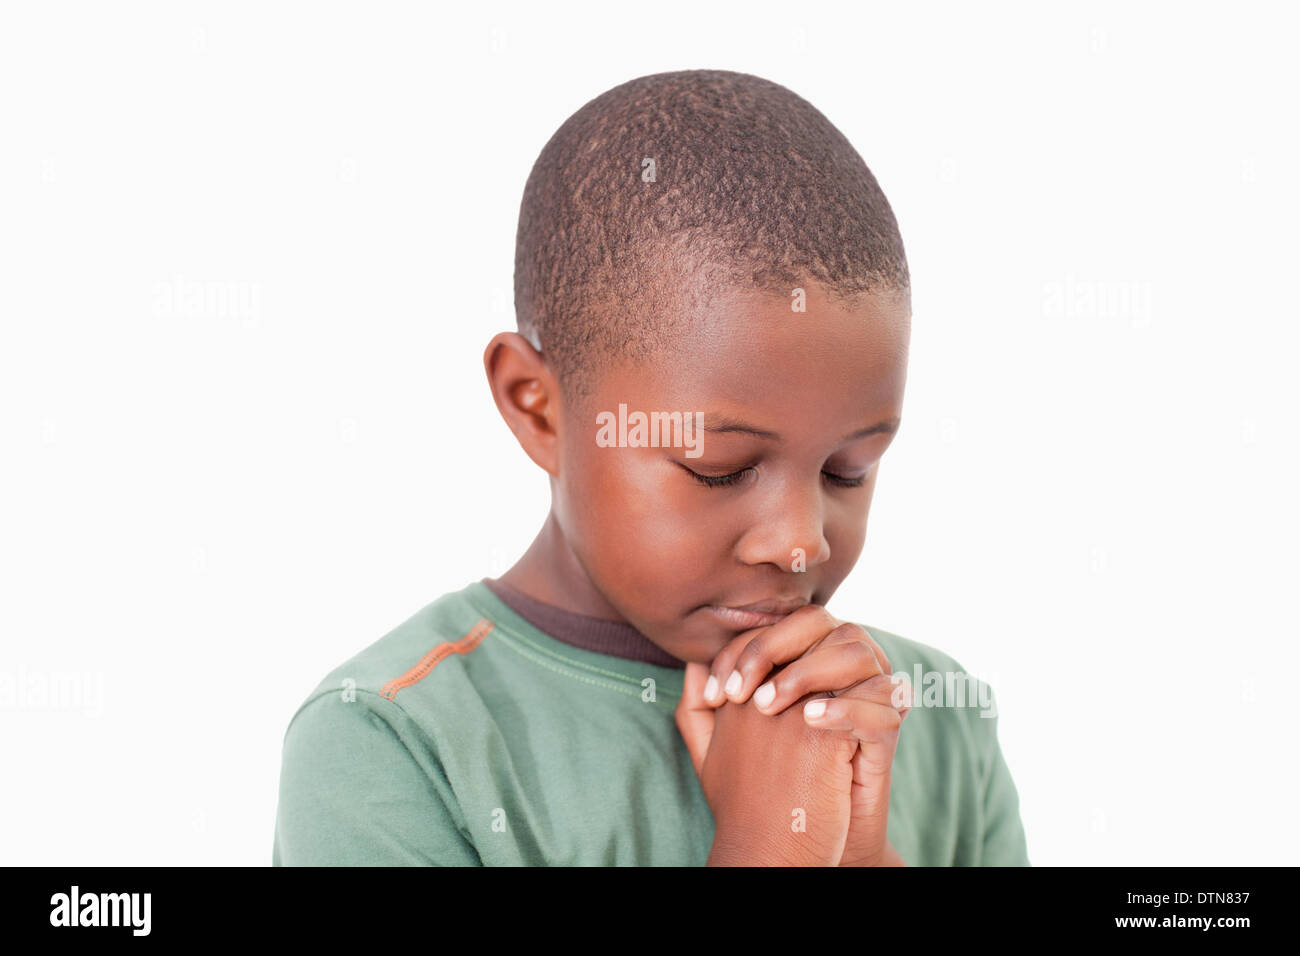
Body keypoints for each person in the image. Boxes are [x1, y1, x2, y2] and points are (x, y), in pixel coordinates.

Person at [272, 68, 1030, 866]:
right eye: (720, 467)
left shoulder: (930, 716)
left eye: (848, 469)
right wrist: (773, 848)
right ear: (538, 407)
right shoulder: (393, 742)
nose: (798, 543)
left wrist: (864, 854)